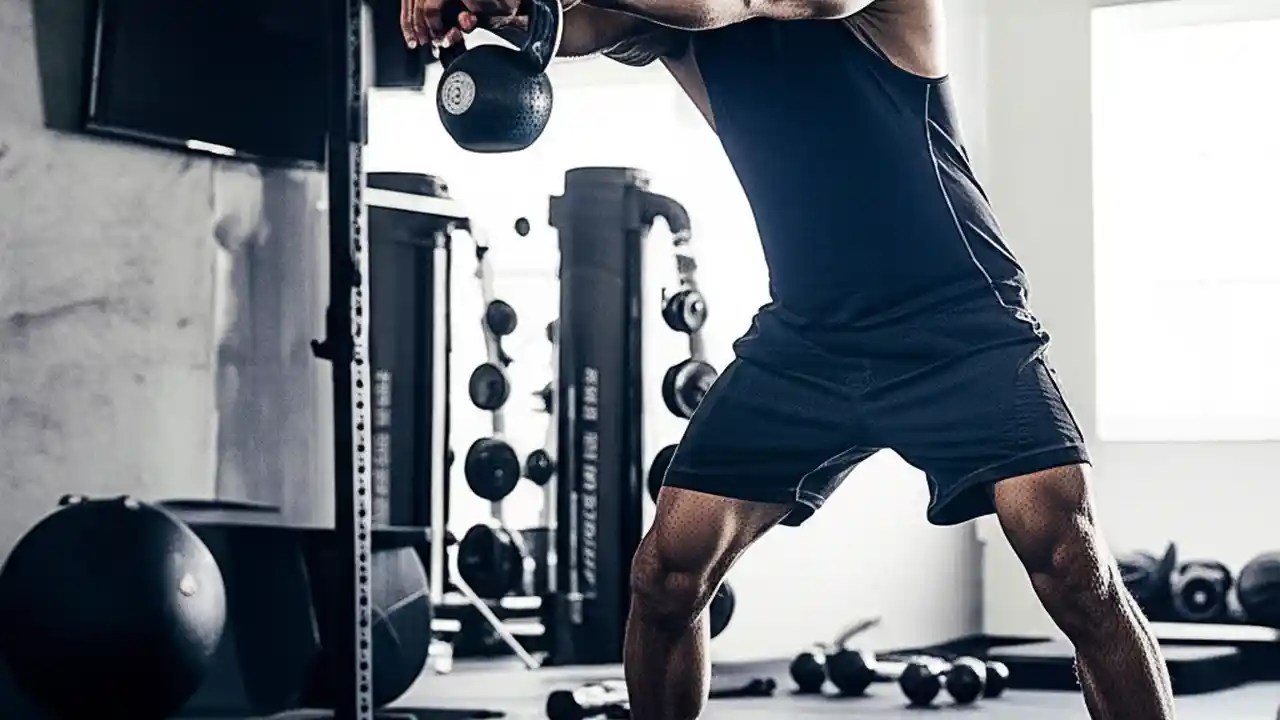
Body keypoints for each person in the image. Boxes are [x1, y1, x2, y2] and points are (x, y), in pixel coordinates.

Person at [401, 1, 1176, 718]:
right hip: (809, 339)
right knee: (665, 576)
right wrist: (492, 9)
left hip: (959, 325)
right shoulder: (679, 27)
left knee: (1075, 568)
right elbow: (586, 27)